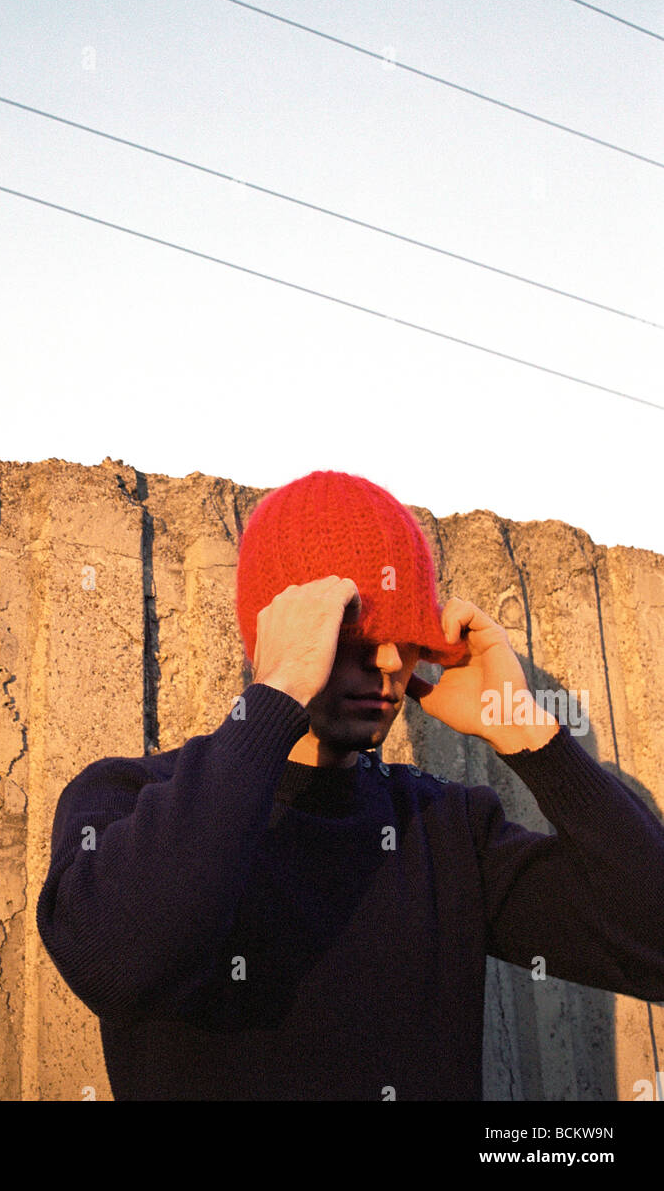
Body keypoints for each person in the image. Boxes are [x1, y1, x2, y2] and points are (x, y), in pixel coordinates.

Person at [36, 469, 664, 1100]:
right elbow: (115, 962)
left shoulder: (446, 830)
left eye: (408, 635)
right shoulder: (128, 799)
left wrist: (534, 739)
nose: (390, 662)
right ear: (282, 630)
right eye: (357, 633)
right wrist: (276, 693)